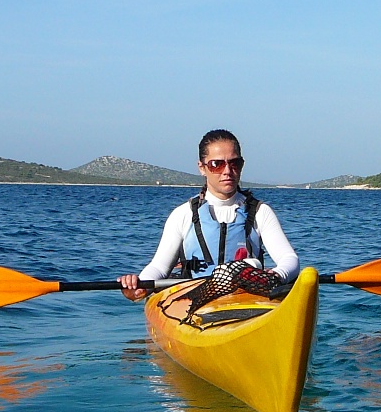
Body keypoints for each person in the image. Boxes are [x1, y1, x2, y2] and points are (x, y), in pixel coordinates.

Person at [118, 130, 300, 305]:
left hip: (247, 298)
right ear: (202, 168)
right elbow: (159, 267)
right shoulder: (183, 215)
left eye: (234, 163)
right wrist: (138, 286)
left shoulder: (261, 212)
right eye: (217, 164)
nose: (227, 171)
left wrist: (277, 275)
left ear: (241, 165)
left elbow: (289, 259)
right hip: (195, 299)